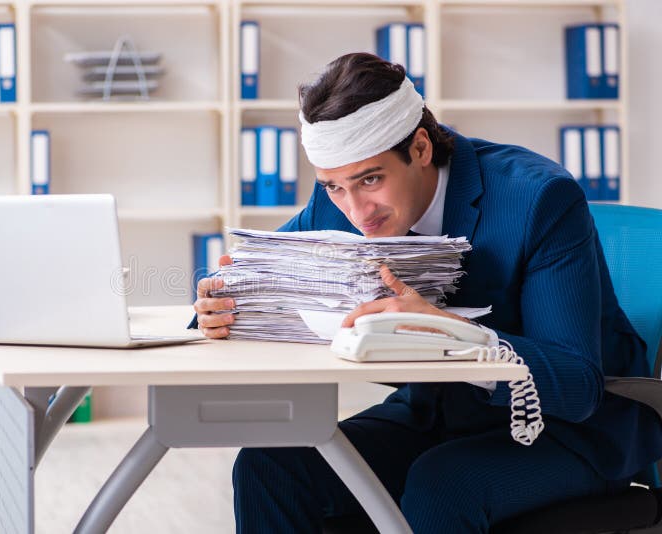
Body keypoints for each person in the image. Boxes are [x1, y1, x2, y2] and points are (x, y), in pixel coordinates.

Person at [192, 53, 662, 533]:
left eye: (370, 179)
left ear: (419, 148)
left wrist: (457, 337)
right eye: (333, 187)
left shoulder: (537, 198)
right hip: (437, 413)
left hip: (568, 432)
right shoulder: (341, 196)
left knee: (440, 486)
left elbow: (578, 384)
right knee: (271, 466)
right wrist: (222, 301)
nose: (356, 211)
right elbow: (261, 271)